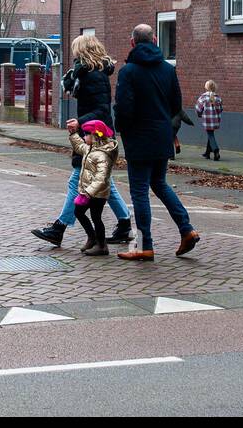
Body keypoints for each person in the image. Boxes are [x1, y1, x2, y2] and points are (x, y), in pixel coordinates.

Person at [32, 35, 133, 247]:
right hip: (94, 135)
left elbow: (102, 110)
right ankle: (124, 222)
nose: (74, 55)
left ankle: (59, 228)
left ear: (84, 51)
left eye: (76, 50)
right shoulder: (85, 74)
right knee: (105, 183)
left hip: (95, 137)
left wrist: (80, 122)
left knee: (76, 180)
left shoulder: (94, 76)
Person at [112, 24, 199, 261]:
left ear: (133, 43)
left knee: (140, 191)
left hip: (139, 139)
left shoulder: (128, 71)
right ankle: (186, 228)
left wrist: (122, 128)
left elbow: (123, 108)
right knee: (159, 184)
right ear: (155, 40)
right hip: (162, 136)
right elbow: (176, 105)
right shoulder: (167, 70)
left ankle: (145, 245)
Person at [69, 120, 119, 256]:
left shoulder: (103, 155)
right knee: (79, 212)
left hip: (98, 194)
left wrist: (88, 192)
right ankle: (92, 238)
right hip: (88, 192)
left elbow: (101, 178)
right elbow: (79, 146)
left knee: (96, 217)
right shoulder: (90, 148)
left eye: (86, 135)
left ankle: (102, 246)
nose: (84, 137)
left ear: (95, 136)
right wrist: (73, 134)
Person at [195, 80, 223, 160]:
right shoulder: (218, 97)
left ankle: (216, 150)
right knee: (210, 134)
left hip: (207, 120)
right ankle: (207, 153)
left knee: (210, 135)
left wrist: (200, 115)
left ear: (206, 87)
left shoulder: (203, 97)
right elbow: (221, 109)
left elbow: (198, 108)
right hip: (215, 120)